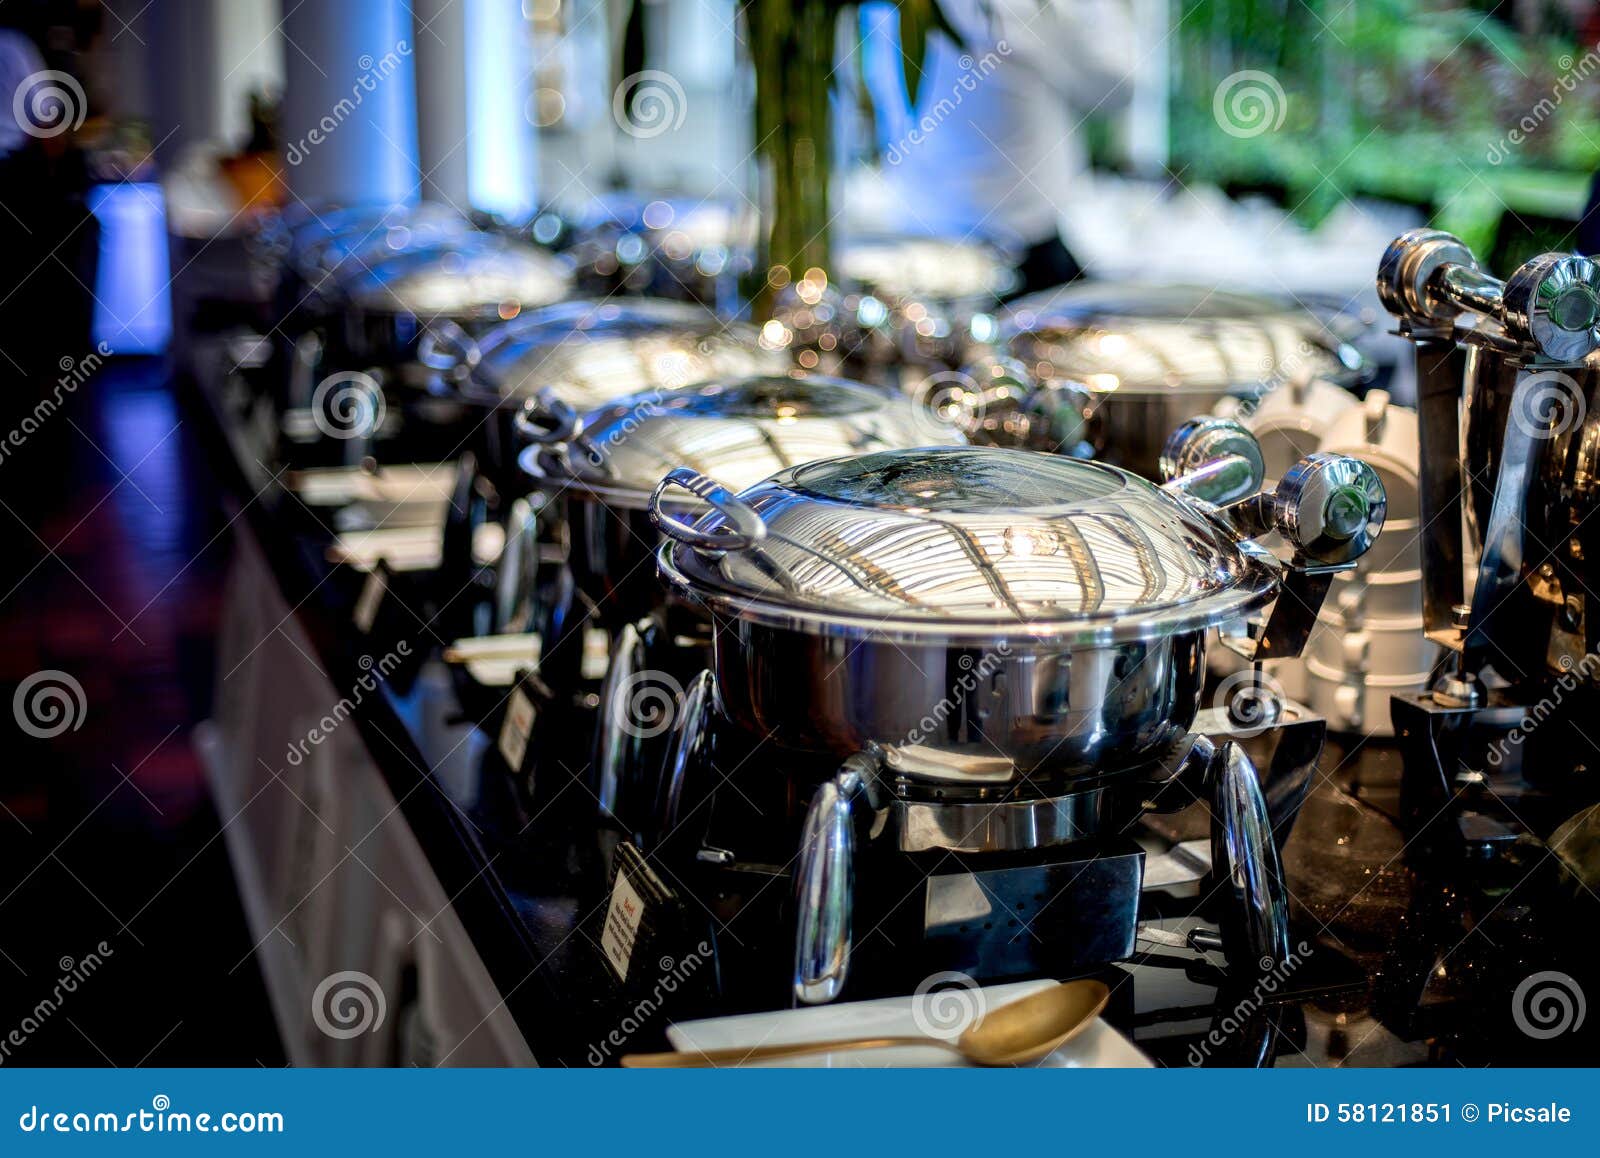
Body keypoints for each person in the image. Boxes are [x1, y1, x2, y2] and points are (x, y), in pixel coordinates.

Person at [860, 0, 1138, 295]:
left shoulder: (884, 10)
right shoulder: (1024, 9)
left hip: (916, 242)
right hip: (1020, 255)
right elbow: (1116, 88)